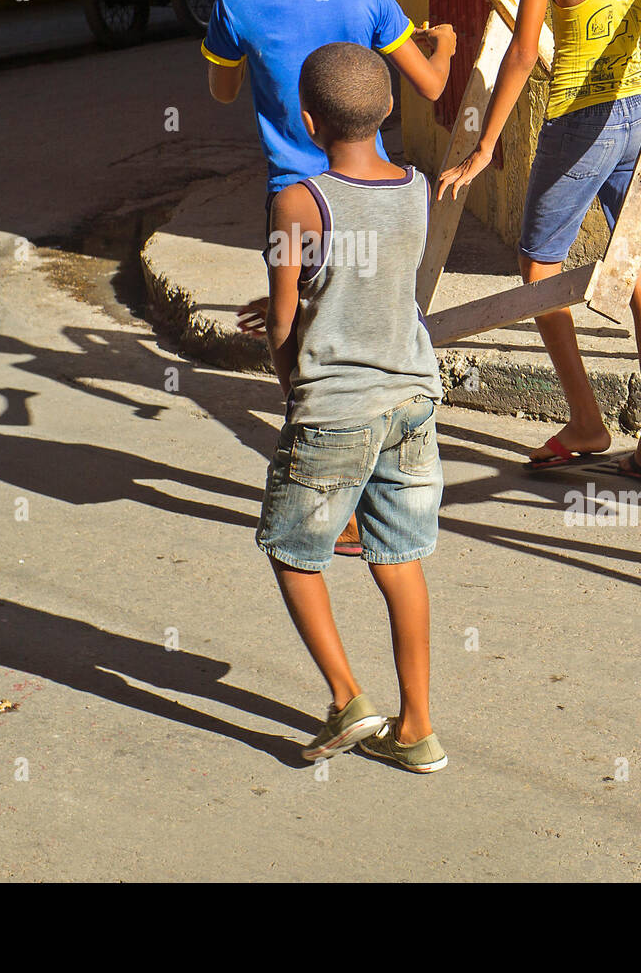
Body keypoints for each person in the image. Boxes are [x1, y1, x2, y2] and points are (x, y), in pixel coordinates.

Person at [204, 0, 456, 554]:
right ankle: (383, 499)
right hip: (369, 200)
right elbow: (432, 86)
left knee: (304, 343)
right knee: (373, 336)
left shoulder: (237, 3)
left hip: (293, 205)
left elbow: (224, 92)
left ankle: (326, 494)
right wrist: (445, 43)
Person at [438, 0, 641, 487]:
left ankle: (586, 419)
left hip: (579, 116)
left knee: (538, 267)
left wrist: (484, 147)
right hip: (639, 110)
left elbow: (522, 50)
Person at [256, 41, 447, 772]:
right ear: (390, 108)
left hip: (336, 406)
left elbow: (282, 322)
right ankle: (417, 727)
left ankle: (347, 699)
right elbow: (374, 280)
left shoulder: (297, 201)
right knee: (398, 559)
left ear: (307, 119)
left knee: (293, 551)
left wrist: (291, 381)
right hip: (410, 398)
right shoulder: (417, 185)